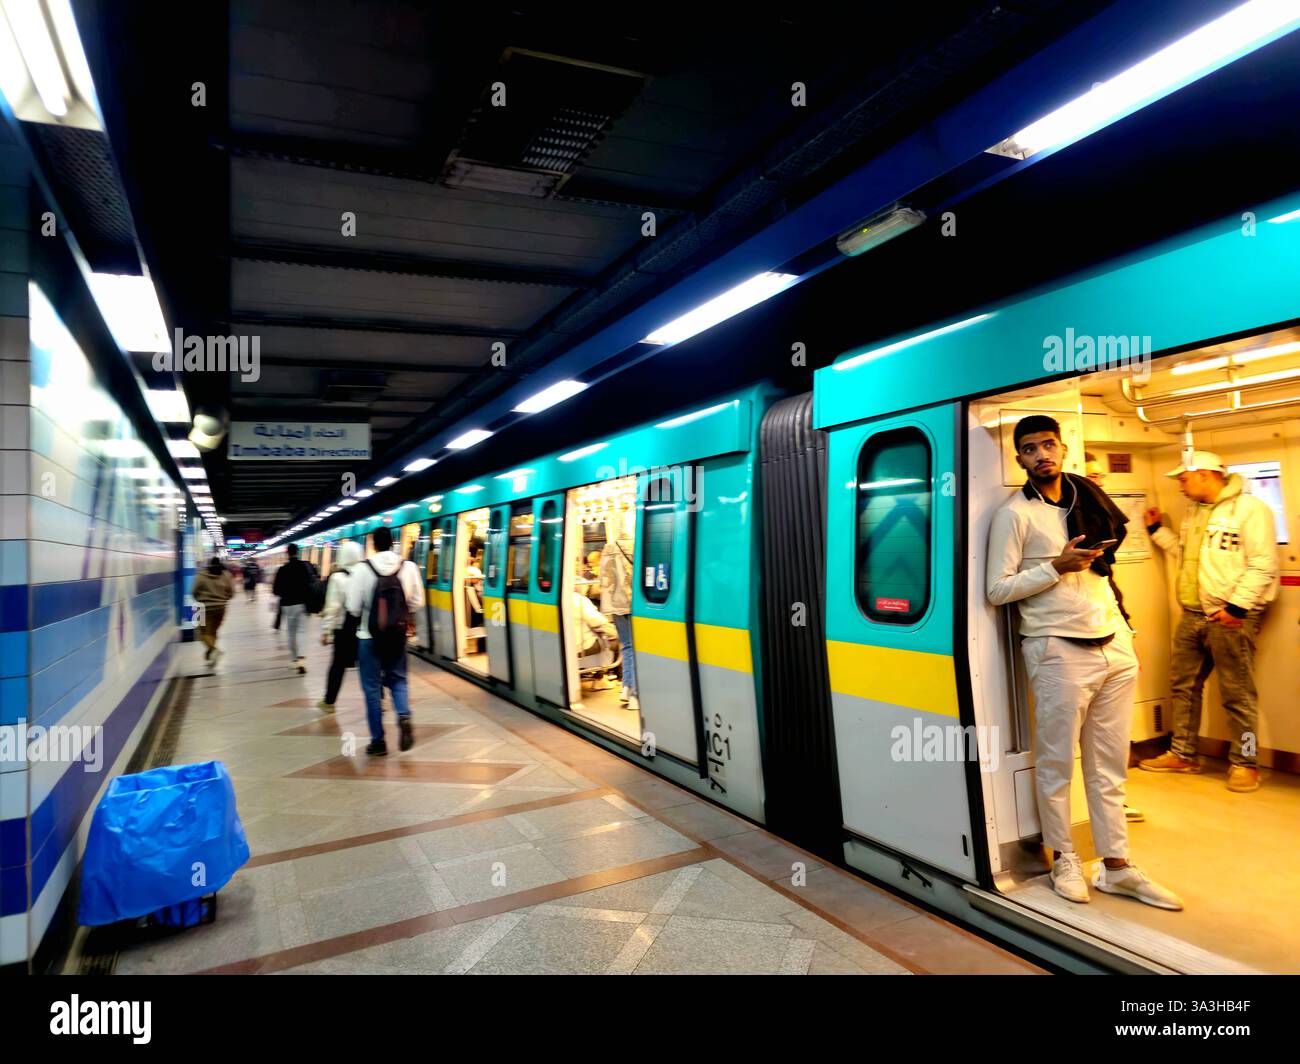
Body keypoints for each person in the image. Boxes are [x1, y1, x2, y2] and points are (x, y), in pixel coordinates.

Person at [986, 415, 1182, 910]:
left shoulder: (1085, 498)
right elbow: (997, 590)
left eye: (1048, 445)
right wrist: (1055, 567)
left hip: (1111, 643)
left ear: (1063, 447)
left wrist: (1128, 632)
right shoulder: (1015, 515)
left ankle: (1116, 865)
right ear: (1020, 459)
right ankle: (1065, 857)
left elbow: (1103, 577)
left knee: (1110, 764)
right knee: (1056, 763)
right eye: (1029, 449)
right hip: (1056, 648)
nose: (1041, 455)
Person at [1139, 451, 1279, 793]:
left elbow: (1263, 564)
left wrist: (1237, 608)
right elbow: (1187, 555)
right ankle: (1183, 753)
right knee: (1182, 687)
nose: (1181, 487)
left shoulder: (1250, 510)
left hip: (1230, 616)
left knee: (1238, 694)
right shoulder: (1194, 512)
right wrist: (1158, 531)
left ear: (1205, 474)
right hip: (1193, 613)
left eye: (1184, 479)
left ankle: (1246, 762)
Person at [346, 524, 424, 755]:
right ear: (393, 542)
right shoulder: (408, 567)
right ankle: (404, 715)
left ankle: (378, 741)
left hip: (368, 637)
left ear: (373, 545)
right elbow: (417, 602)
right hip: (397, 635)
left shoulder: (362, 569)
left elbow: (352, 607)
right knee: (398, 680)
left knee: (371, 689)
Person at [318, 541, 364, 713]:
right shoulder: (365, 574)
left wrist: (326, 631)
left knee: (338, 665)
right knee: (367, 665)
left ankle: (329, 702)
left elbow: (332, 607)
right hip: (364, 628)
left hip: (344, 630)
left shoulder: (337, 578)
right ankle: (379, 699)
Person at [600, 513, 637, 708]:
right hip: (633, 604)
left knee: (627, 646)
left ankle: (626, 687)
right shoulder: (636, 546)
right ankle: (634, 695)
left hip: (615, 605)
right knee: (637, 647)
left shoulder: (608, 548)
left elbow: (603, 581)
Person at [272, 543, 312, 674]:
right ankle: (301, 659)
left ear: (287, 553)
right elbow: (309, 586)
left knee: (291, 632)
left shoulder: (282, 570)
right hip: (301, 603)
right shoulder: (303, 567)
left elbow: (275, 590)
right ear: (298, 552)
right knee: (301, 631)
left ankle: (294, 660)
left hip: (287, 605)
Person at [191, 556, 234, 665]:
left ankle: (214, 650)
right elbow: (231, 592)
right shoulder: (226, 575)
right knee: (212, 632)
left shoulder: (200, 575)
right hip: (221, 608)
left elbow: (194, 591)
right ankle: (211, 654)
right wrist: (223, 599)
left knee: (201, 633)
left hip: (202, 607)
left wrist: (200, 599)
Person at [573, 590, 618, 692]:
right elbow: (598, 621)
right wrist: (613, 632)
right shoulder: (579, 600)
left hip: (562, 647)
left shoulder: (550, 601)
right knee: (613, 641)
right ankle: (600, 678)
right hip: (582, 647)